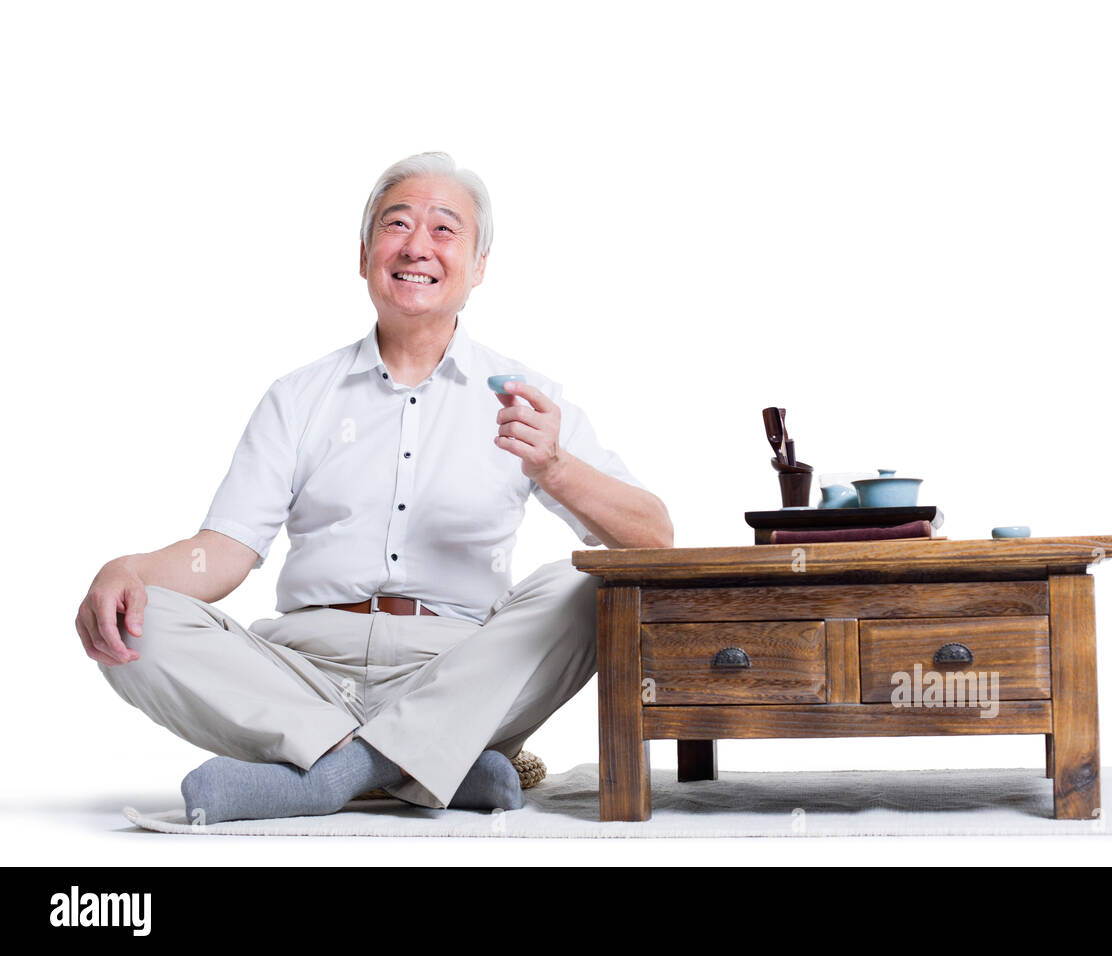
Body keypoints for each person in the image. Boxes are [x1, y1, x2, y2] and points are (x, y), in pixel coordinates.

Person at [75, 151, 673, 824]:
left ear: (478, 268)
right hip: (300, 678)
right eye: (397, 225)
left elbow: (653, 537)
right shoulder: (299, 396)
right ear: (363, 257)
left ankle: (336, 774)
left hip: (459, 671)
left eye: (445, 229)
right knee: (132, 621)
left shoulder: (524, 398)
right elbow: (223, 552)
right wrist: (125, 572)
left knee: (591, 583)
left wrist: (558, 467)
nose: (417, 245)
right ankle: (424, 766)